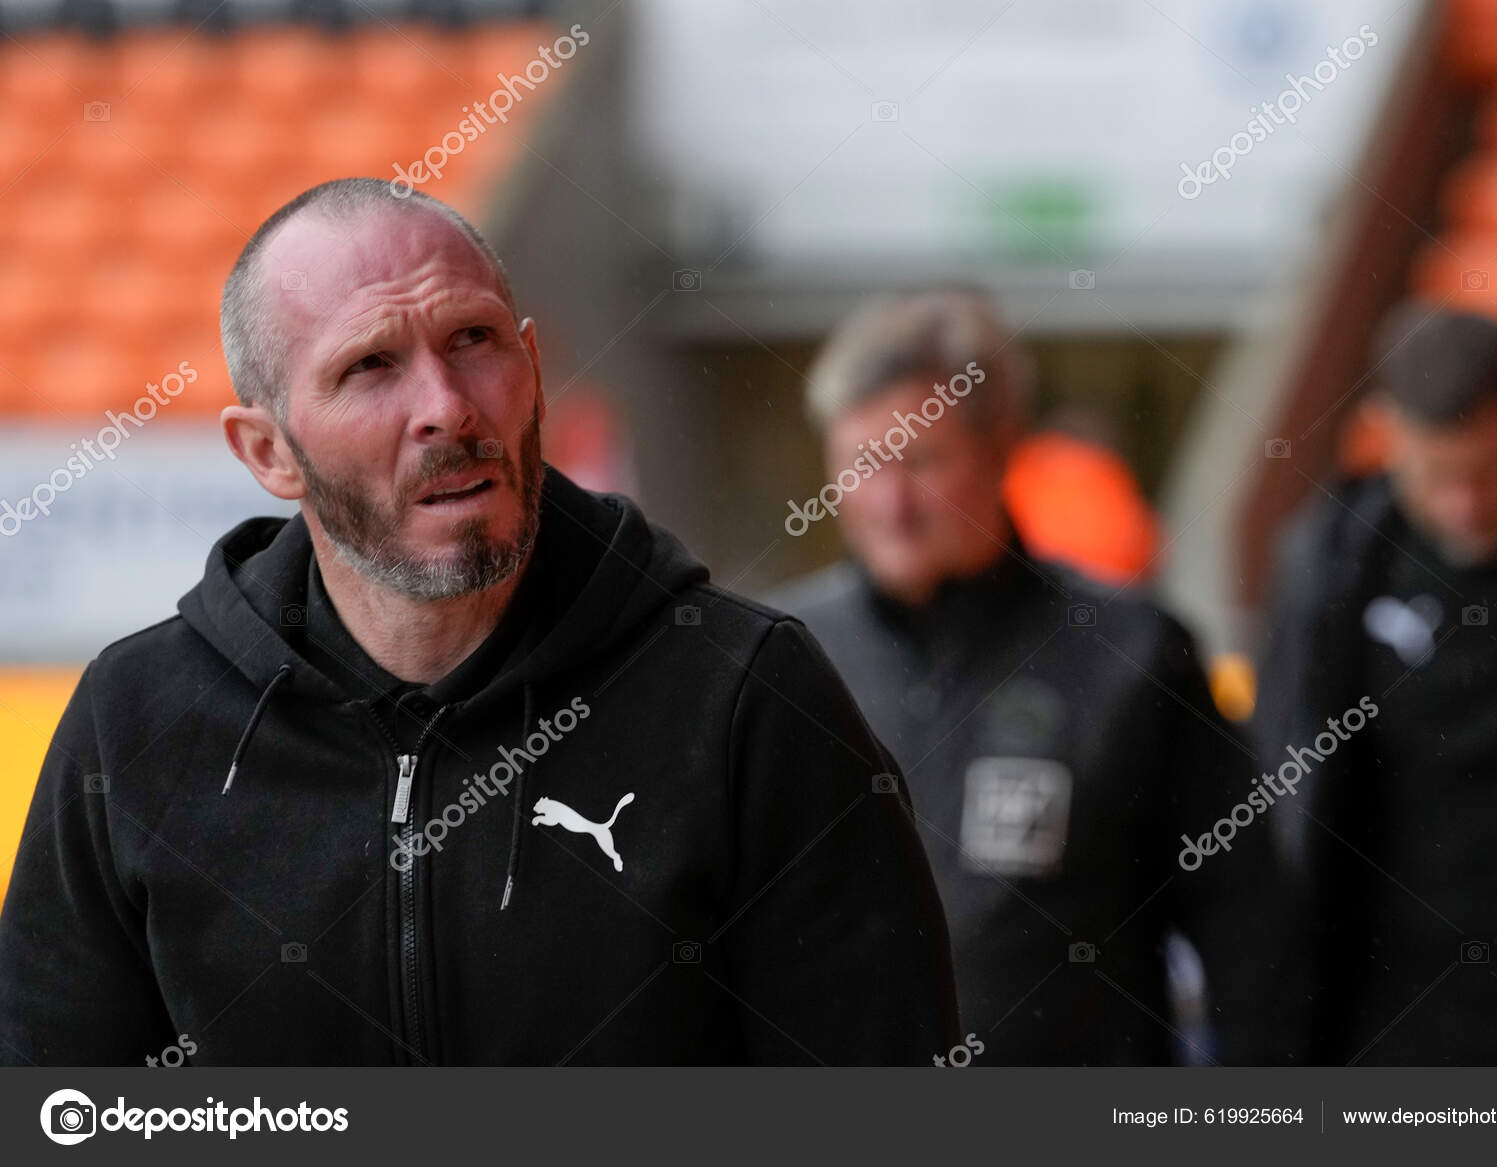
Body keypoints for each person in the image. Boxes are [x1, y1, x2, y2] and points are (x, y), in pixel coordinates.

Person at [0, 178, 960, 1066]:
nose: (448, 408)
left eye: (474, 341)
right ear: (268, 452)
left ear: (533, 367)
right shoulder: (137, 725)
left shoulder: (746, 694)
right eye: (370, 366)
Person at [771, 290, 1280, 1065]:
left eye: (919, 462)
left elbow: (1248, 927)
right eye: (860, 465)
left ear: (1004, 447)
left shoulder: (1132, 650)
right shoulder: (780, 656)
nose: (889, 503)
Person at [1255, 300, 1497, 1064]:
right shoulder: (1335, 569)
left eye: (1489, 472)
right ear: (1388, 436)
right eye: (1439, 478)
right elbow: (1288, 816)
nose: (1466, 505)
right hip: (1407, 1029)